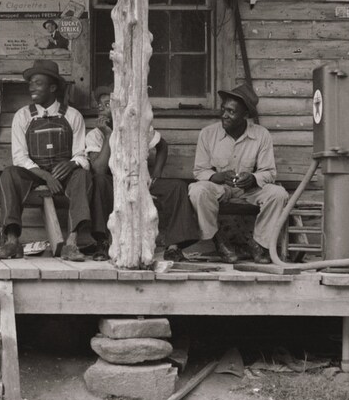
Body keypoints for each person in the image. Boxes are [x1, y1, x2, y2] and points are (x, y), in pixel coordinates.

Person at [0, 59, 92, 260]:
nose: (31, 88)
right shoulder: (23, 116)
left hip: (63, 173)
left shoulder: (73, 115)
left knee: (83, 175)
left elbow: (81, 155)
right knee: (9, 174)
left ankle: (71, 243)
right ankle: (12, 242)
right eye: (30, 83)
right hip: (34, 173)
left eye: (38, 83)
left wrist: (71, 164)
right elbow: (20, 157)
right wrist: (46, 176)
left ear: (53, 87)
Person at [85, 86, 200, 263]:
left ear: (120, 107)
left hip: (140, 180)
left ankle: (174, 247)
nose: (101, 108)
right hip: (113, 183)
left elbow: (162, 146)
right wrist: (109, 136)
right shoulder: (95, 135)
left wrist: (156, 174)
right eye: (100, 105)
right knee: (98, 181)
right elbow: (99, 169)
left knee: (178, 187)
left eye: (107, 104)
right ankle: (102, 242)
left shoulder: (137, 128)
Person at [188, 83, 289, 264]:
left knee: (278, 194)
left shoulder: (262, 135)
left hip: (249, 191)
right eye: (223, 109)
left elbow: (269, 172)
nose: (224, 115)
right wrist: (215, 176)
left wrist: (253, 178)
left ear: (245, 115)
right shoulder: (207, 134)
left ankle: (259, 245)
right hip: (220, 188)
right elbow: (199, 170)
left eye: (231, 112)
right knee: (197, 190)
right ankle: (220, 242)